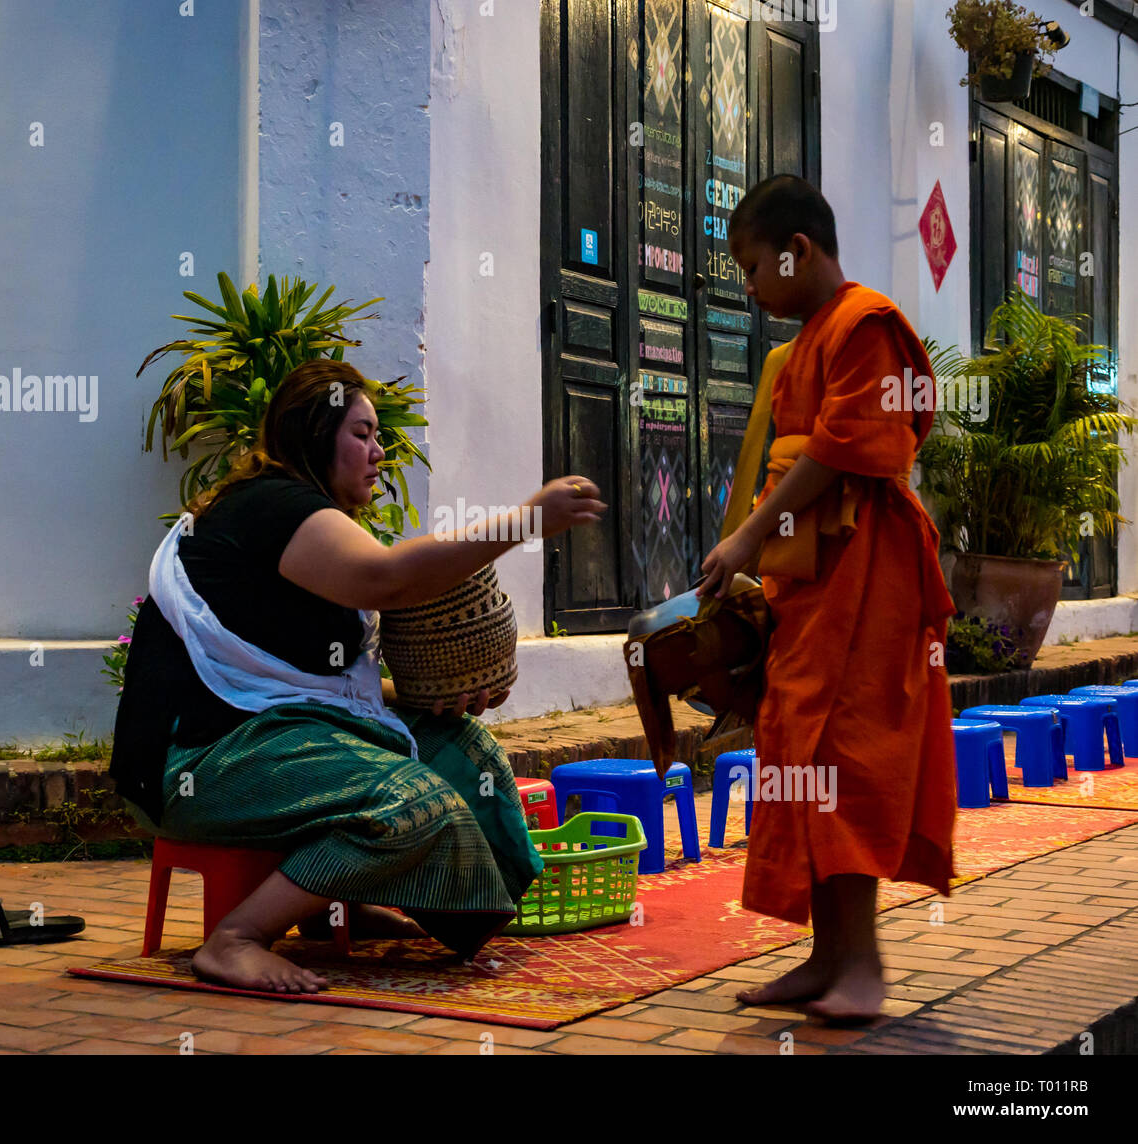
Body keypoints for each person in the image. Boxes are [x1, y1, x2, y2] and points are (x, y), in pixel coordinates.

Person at [110, 359, 606, 993]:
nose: (377, 452)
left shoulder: (313, 520)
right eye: (362, 434)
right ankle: (235, 939)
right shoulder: (271, 506)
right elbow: (389, 579)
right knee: (411, 803)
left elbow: (323, 689)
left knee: (461, 752)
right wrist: (524, 520)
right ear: (316, 436)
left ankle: (332, 905)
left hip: (270, 736)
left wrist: (439, 699)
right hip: (197, 761)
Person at [695, 174, 957, 1022]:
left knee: (843, 757)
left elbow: (848, 449)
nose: (746, 284)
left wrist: (745, 535)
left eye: (749, 265)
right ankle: (823, 957)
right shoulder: (807, 339)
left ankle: (865, 968)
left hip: (869, 573)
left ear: (795, 249)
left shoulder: (866, 325)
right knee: (798, 754)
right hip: (814, 579)